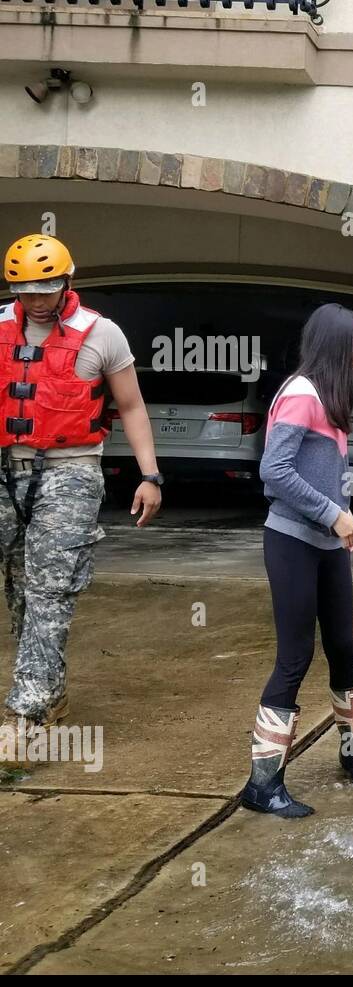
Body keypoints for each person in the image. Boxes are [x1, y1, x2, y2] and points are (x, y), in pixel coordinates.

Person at [0, 234, 162, 772]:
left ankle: (23, 717)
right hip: (5, 468)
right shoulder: (0, 327)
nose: (38, 300)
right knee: (19, 586)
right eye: (27, 291)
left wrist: (150, 476)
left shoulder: (102, 334)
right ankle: (49, 690)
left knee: (49, 587)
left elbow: (133, 406)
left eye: (48, 288)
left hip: (69, 472)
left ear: (68, 281)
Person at [240, 303, 353, 818]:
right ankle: (262, 784)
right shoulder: (301, 394)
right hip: (292, 541)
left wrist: (344, 514)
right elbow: (273, 472)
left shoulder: (330, 400)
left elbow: (324, 473)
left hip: (327, 545)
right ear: (336, 347)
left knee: (343, 648)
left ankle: (352, 750)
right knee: (295, 657)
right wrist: (331, 514)